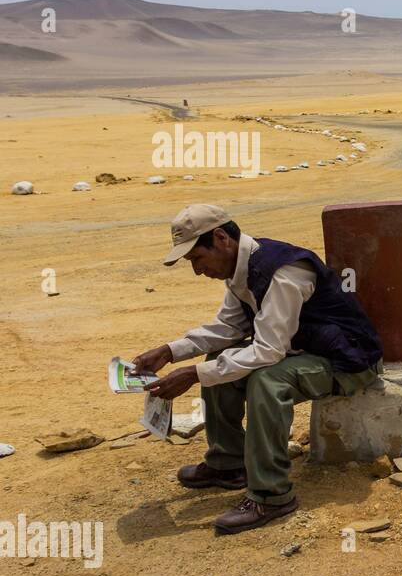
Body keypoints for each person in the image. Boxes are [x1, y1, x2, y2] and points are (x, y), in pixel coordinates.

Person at [132, 204, 383, 534]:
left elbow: (268, 351)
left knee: (267, 380)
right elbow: (228, 329)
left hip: (347, 361)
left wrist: (192, 376)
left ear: (221, 238)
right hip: (303, 351)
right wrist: (171, 352)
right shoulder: (241, 270)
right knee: (219, 362)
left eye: (196, 259)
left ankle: (271, 495)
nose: (196, 270)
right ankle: (229, 465)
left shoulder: (282, 272)